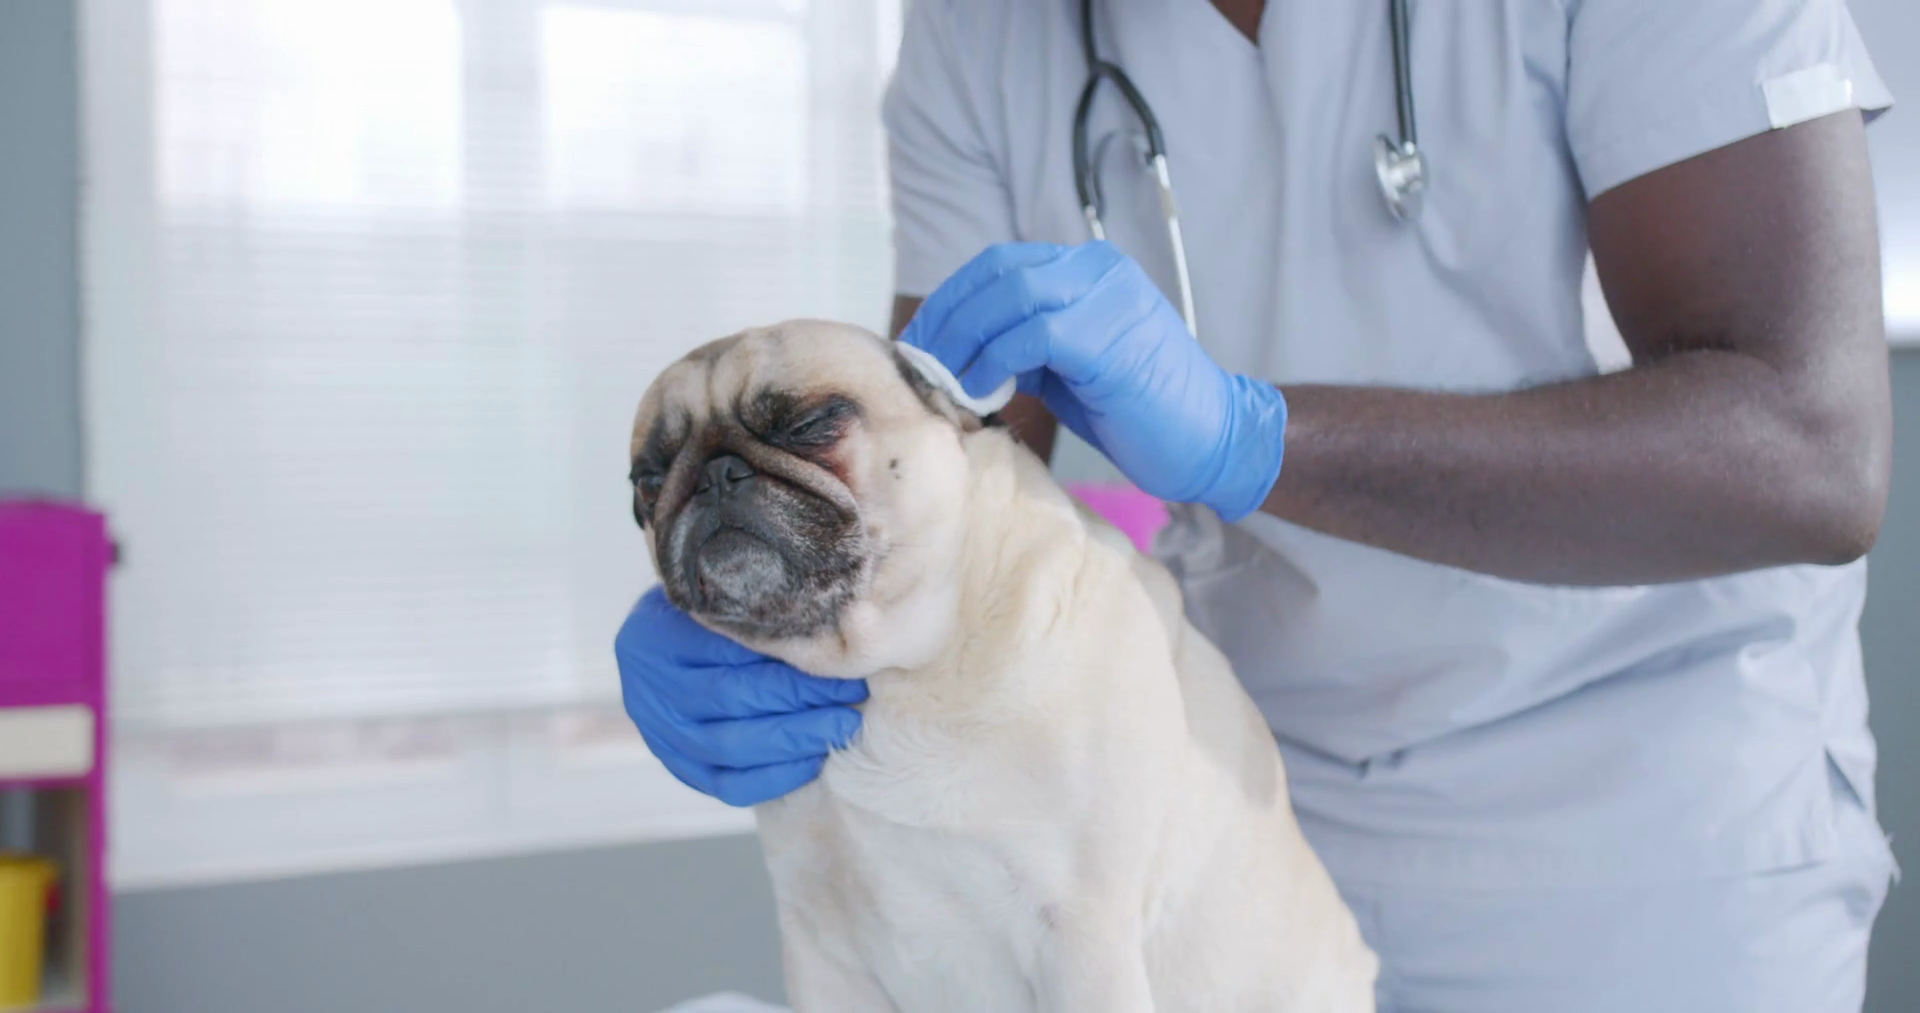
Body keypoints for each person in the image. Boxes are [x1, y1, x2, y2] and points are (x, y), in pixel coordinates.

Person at [616, 1, 1901, 1009]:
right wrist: (760, 592)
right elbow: (939, 459)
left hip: (1635, 839)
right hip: (1230, 840)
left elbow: (1808, 448)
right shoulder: (979, 28)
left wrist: (1254, 437)